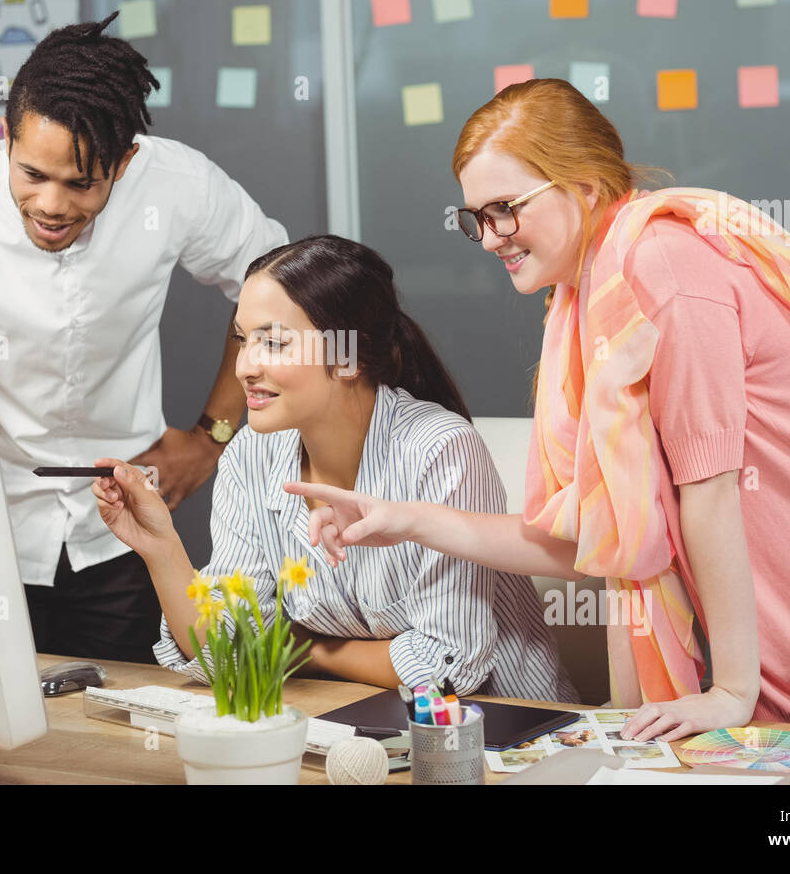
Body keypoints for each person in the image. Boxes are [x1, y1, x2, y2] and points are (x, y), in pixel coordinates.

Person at [287, 79, 790, 741]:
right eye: (476, 219)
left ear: (583, 188)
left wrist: (729, 693)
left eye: (504, 209)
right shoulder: (582, 304)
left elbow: (712, 491)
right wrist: (401, 518)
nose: (490, 238)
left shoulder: (663, 265)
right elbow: (593, 543)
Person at [0, 12, 287, 662]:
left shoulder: (180, 186)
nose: (51, 205)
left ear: (126, 161)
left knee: (120, 740)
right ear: (7, 135)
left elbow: (277, 296)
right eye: (31, 174)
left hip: (116, 533)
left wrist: (211, 439)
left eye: (81, 183)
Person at [90, 235, 577, 699]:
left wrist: (302, 647)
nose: (244, 367)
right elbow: (231, 657)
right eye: (243, 339)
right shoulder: (250, 455)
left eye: (274, 343)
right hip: (351, 728)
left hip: (499, 736)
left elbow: (446, 666)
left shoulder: (438, 448)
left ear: (346, 357)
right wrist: (162, 549)